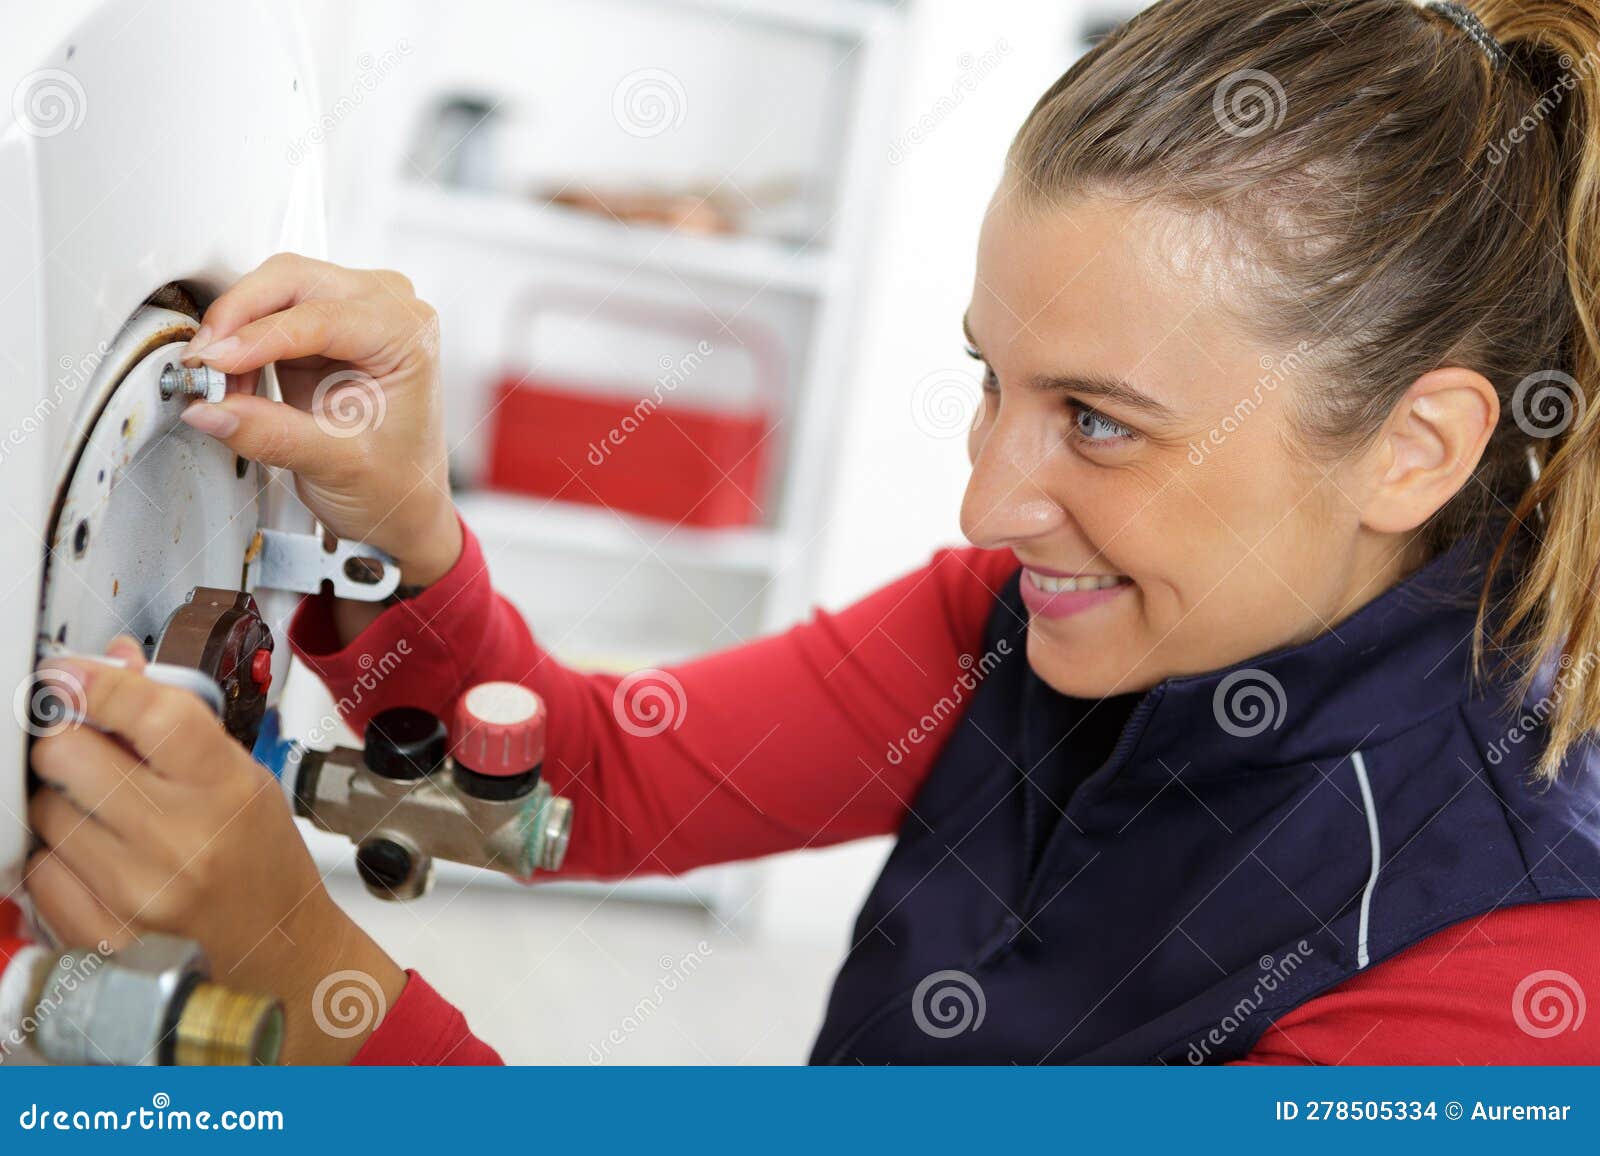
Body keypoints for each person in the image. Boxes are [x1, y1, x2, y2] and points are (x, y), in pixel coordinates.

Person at [25, 0, 1600, 1064]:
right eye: (994, 381)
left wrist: (304, 971)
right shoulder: (1023, 623)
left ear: (1418, 447)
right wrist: (401, 530)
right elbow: (586, 783)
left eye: (1100, 421)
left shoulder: (1507, 986)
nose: (987, 500)